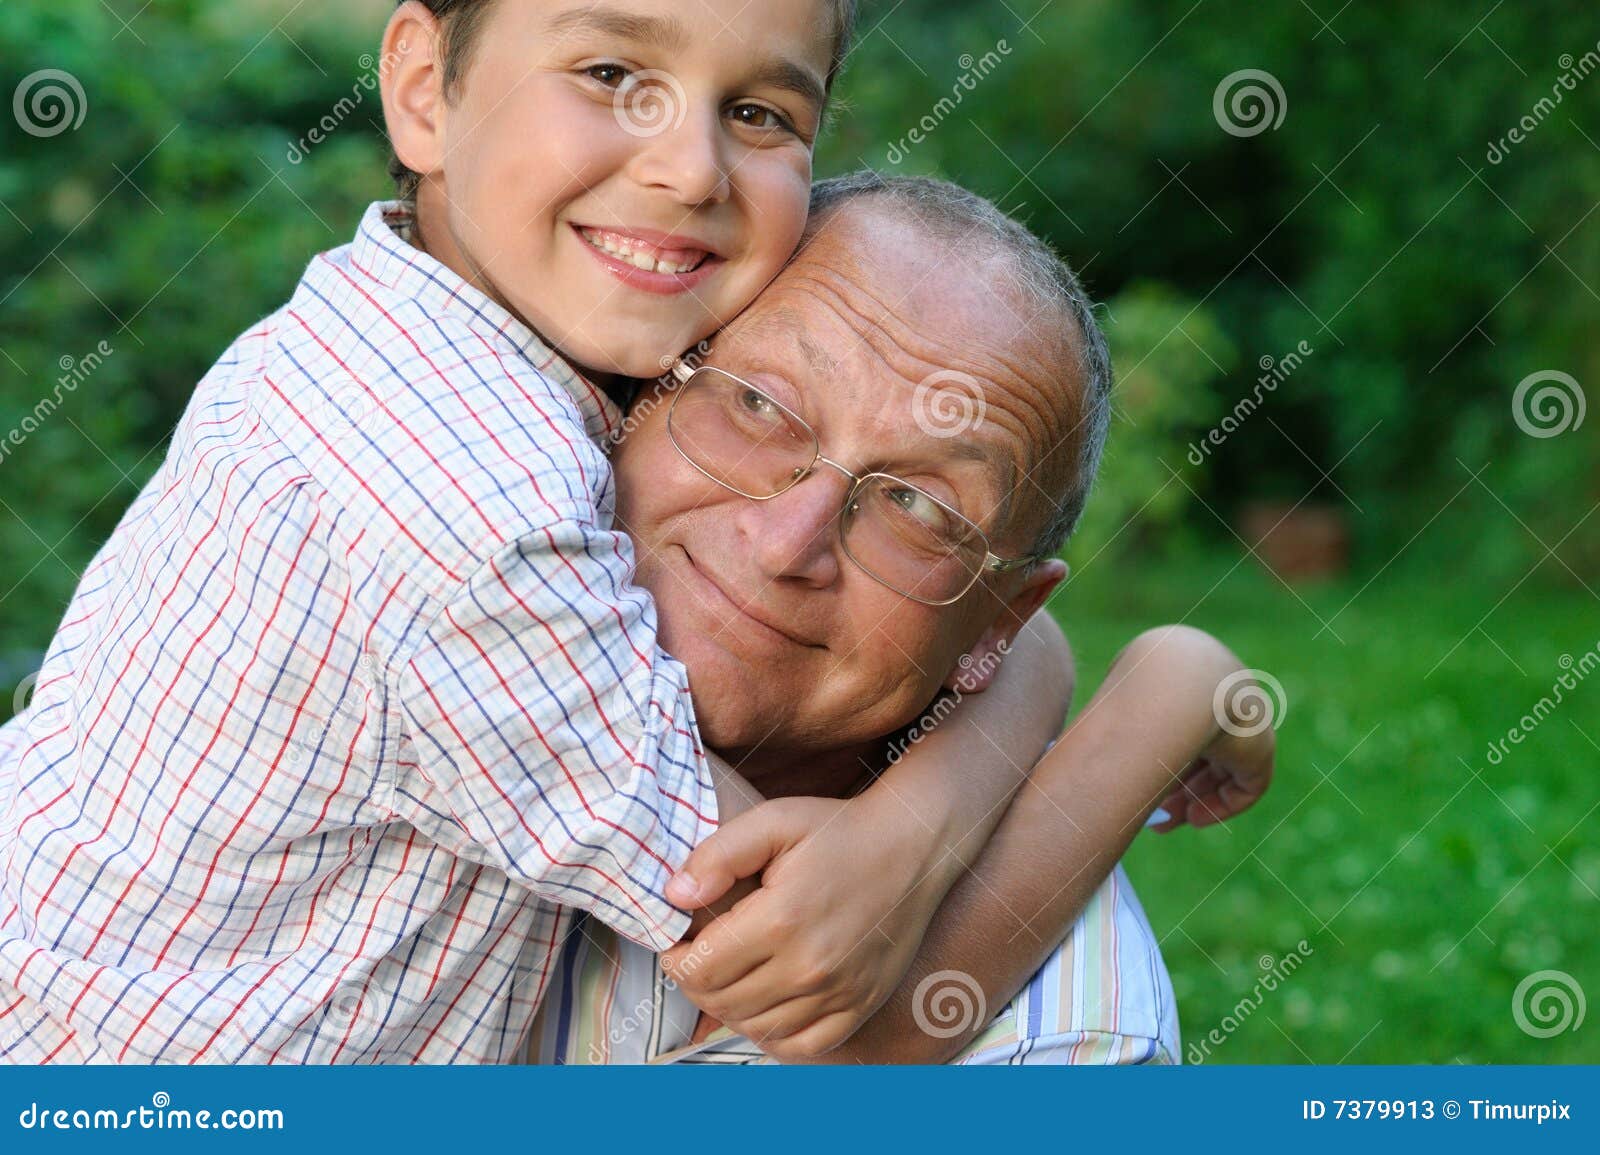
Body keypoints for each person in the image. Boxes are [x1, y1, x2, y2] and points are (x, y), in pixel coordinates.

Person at [528, 174, 1276, 1064]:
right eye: (759, 404)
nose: (783, 542)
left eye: (920, 509)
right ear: (625, 395)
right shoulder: (411, 592)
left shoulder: (1062, 1045)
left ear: (995, 623)